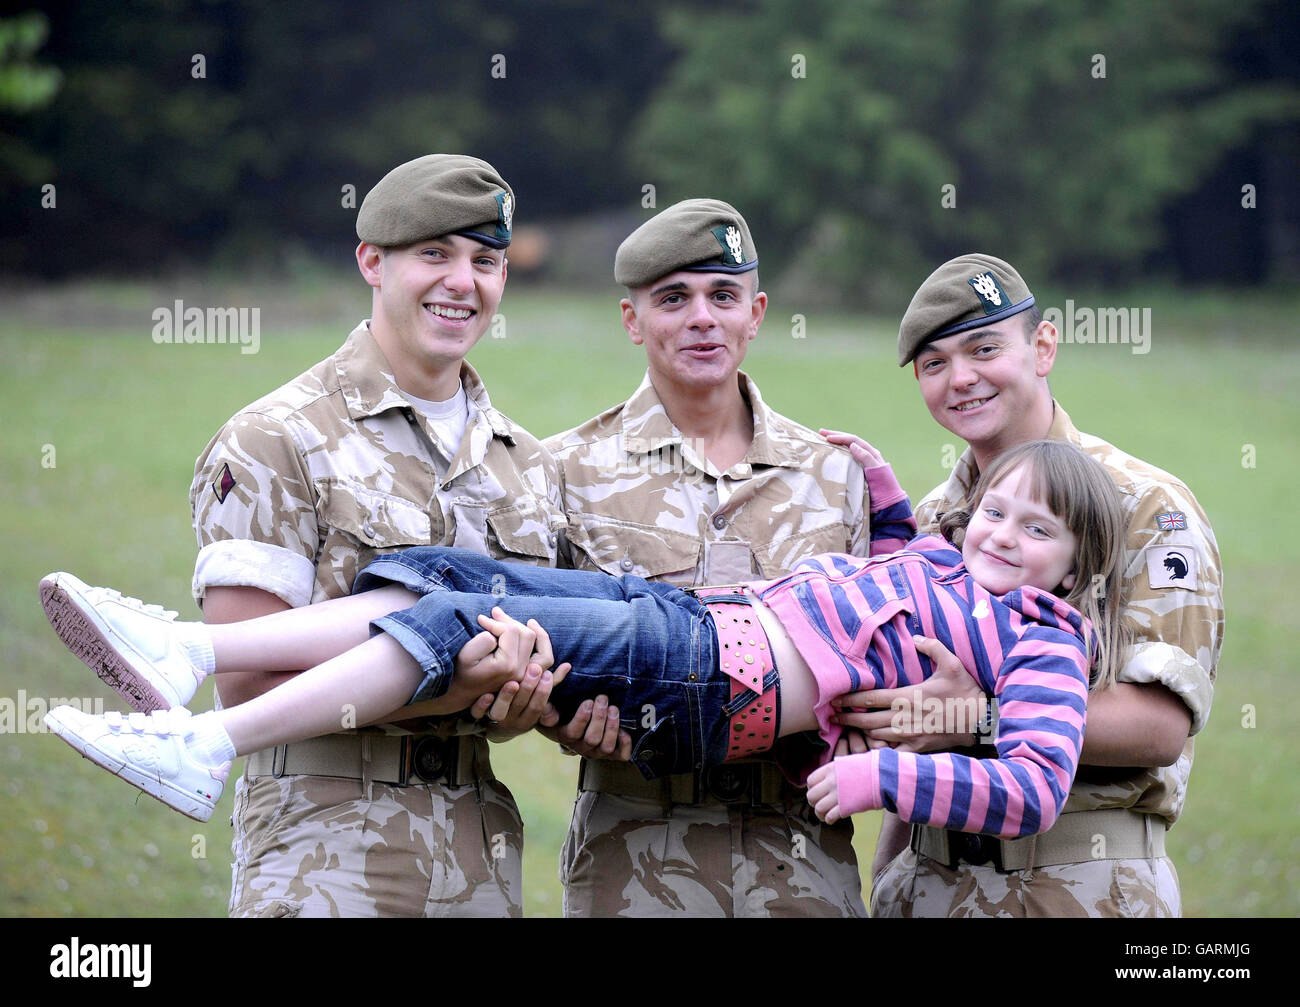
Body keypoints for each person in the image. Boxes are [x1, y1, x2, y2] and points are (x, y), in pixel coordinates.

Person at [43, 440, 1127, 853]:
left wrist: (883, 769)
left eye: (1038, 529)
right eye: (996, 510)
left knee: (467, 626)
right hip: (704, 628)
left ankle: (210, 743)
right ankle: (185, 645)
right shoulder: (949, 559)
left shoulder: (1039, 639)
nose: (1001, 535)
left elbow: (1033, 783)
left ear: (1074, 564)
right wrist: (887, 488)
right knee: (454, 570)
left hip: (724, 677)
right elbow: (894, 574)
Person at [181, 154, 569, 917]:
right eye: (435, 253)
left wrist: (524, 704)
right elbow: (245, 682)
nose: (464, 281)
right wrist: (458, 687)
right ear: (371, 262)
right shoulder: (276, 437)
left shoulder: (526, 464)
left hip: (478, 851)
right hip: (323, 847)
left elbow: (538, 673)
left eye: (486, 261)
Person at [836, 253, 1224, 918]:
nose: (961, 378)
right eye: (934, 363)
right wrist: (887, 875)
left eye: (983, 348)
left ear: (1043, 346)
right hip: (928, 882)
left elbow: (1161, 726)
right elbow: (912, 718)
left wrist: (977, 711)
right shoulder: (937, 520)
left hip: (1078, 884)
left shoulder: (1141, 505)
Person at [543, 199, 876, 917]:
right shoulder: (566, 472)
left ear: (754, 313)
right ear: (633, 320)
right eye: (674, 298)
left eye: (722, 296)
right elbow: (538, 655)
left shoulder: (832, 475)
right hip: (633, 859)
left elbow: (872, 655)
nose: (703, 318)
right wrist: (560, 716)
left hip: (802, 863)